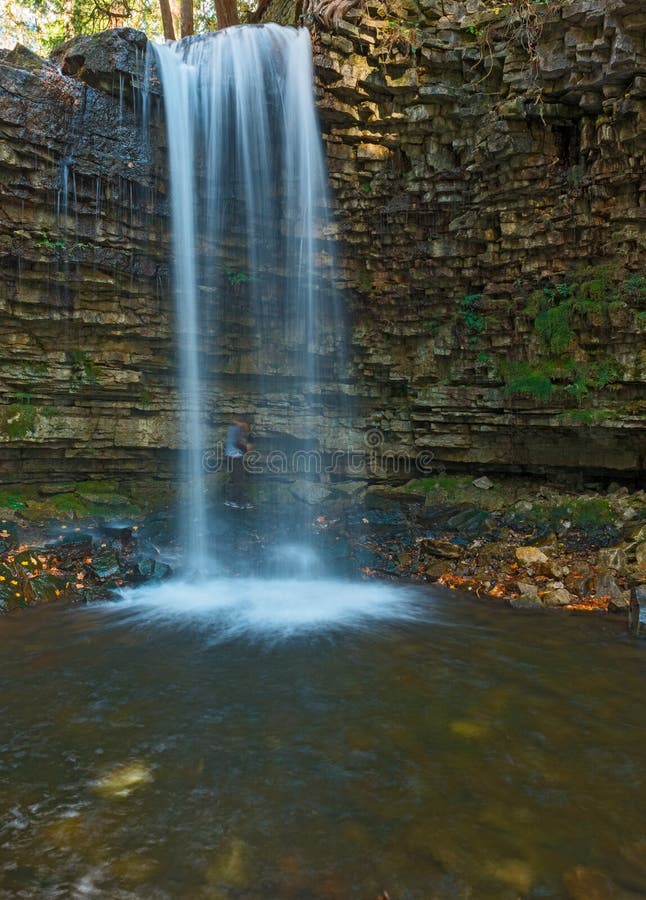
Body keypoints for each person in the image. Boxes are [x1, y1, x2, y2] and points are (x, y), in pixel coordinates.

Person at [224, 417, 253, 509]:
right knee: (239, 481)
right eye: (248, 426)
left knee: (239, 479)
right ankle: (231, 500)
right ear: (244, 423)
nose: (247, 429)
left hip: (232, 457)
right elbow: (236, 442)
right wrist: (246, 448)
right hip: (234, 458)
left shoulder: (233, 428)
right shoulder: (237, 428)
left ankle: (242, 501)